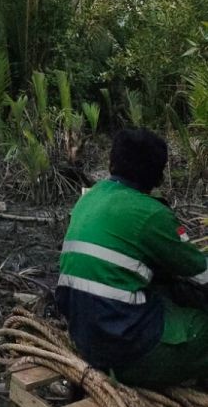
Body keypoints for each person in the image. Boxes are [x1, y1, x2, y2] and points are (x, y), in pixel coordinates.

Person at [56, 127, 208, 388]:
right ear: (158, 176)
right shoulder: (150, 214)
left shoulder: (89, 199)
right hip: (127, 352)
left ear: (111, 163)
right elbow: (201, 275)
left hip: (84, 337)